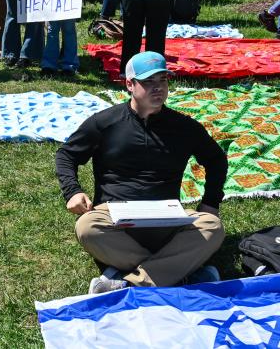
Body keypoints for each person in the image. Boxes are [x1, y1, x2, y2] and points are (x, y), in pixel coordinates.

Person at [56, 51, 227, 294]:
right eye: (148, 82)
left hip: (167, 218)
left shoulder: (184, 127)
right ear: (129, 84)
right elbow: (67, 155)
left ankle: (126, 282)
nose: (158, 88)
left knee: (212, 226)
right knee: (87, 227)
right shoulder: (105, 122)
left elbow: (216, 159)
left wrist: (210, 202)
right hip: (115, 218)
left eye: (163, 81)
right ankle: (182, 273)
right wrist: (72, 191)